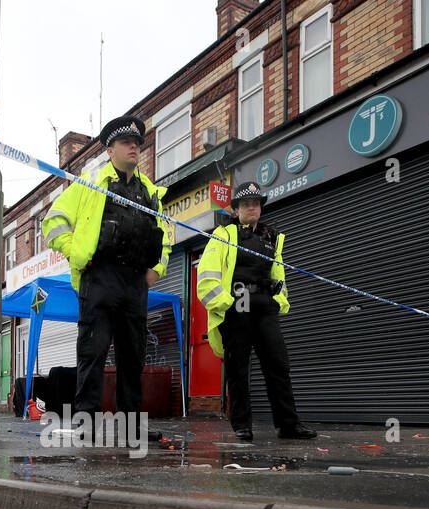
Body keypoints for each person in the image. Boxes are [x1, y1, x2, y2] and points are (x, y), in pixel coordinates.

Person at [42, 115, 170, 438]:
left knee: (132, 358)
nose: (134, 148)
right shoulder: (91, 182)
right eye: (127, 143)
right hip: (99, 278)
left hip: (133, 284)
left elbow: (166, 235)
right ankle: (86, 423)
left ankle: (131, 428)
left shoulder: (150, 192)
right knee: (92, 352)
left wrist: (157, 269)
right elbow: (53, 220)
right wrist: (76, 252)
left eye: (137, 144)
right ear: (110, 150)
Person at [196, 182, 316, 442]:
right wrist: (224, 304)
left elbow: (278, 273)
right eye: (246, 203)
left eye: (256, 203)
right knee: (237, 368)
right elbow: (206, 276)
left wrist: (278, 301)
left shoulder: (271, 237)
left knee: (278, 364)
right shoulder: (223, 234)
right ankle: (242, 425)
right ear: (236, 209)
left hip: (264, 304)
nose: (252, 207)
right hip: (237, 303)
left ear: (261, 207)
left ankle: (288, 425)